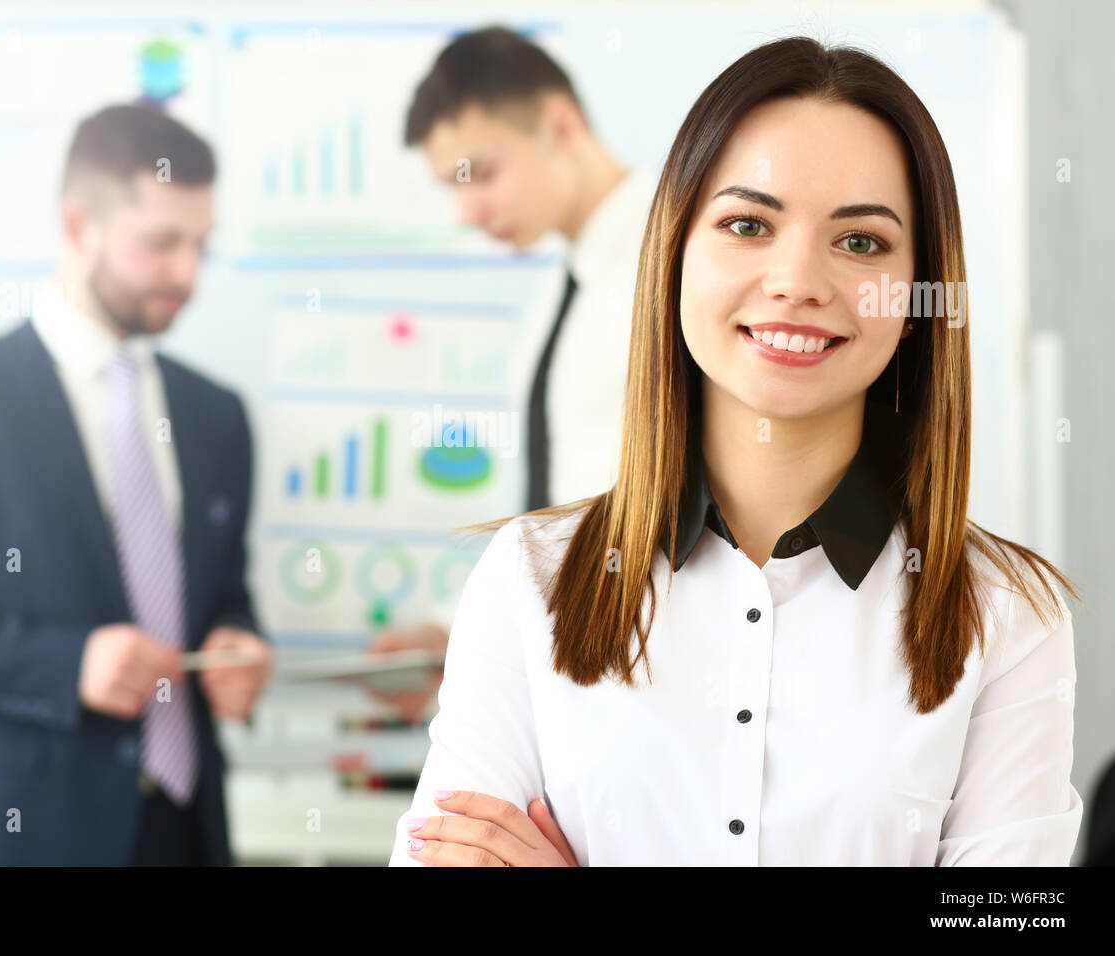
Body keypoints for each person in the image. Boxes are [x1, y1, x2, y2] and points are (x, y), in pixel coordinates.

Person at [388, 36, 1084, 866]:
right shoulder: (525, 578)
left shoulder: (1005, 616)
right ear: (675, 253)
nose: (797, 279)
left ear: (918, 297)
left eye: (861, 241)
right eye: (747, 224)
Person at [0, 103, 273, 866]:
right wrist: (65, 664)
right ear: (79, 227)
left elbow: (221, 595)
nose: (189, 275)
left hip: (188, 829)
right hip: (25, 833)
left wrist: (237, 643)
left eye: (201, 244)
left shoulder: (217, 415)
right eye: (161, 243)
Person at [364, 26, 656, 718]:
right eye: (452, 188)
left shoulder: (683, 269)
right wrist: (454, 630)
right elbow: (561, 509)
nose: (468, 211)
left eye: (482, 174)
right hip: (578, 686)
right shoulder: (562, 289)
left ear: (561, 124)